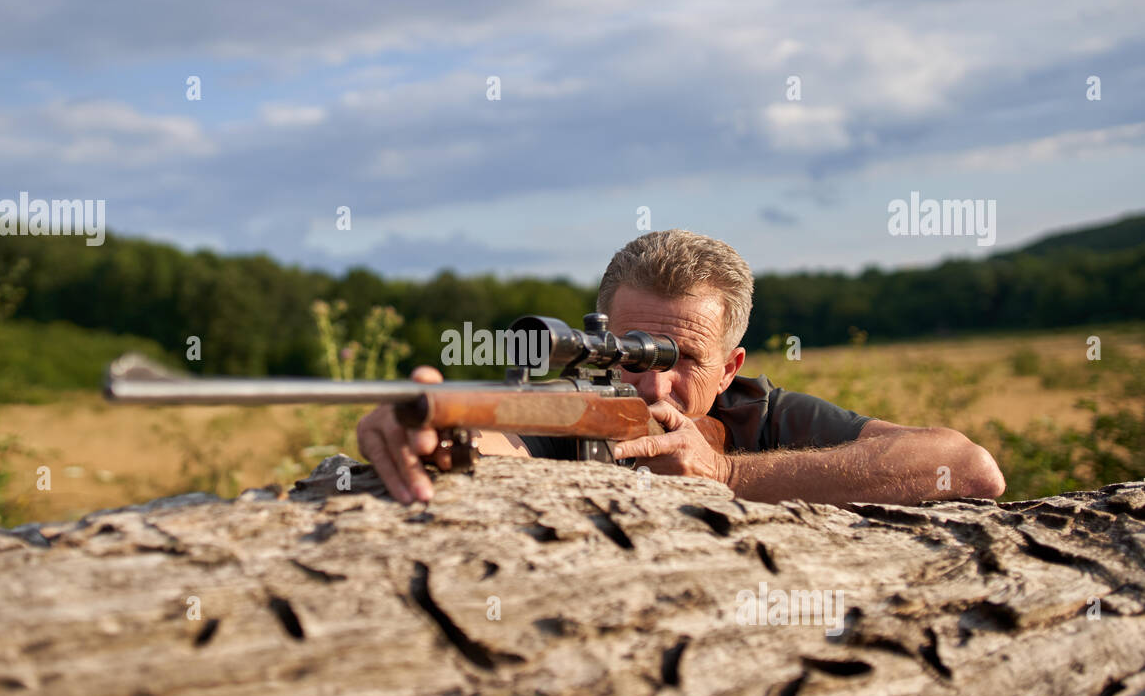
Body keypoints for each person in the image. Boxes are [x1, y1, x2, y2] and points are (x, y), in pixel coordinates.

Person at [356, 229, 1005, 506]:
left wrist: (725, 472)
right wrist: (431, 429)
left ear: (730, 368)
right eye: (629, 352)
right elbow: (498, 443)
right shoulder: (575, 413)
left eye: (684, 359)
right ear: (597, 342)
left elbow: (970, 469)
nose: (651, 382)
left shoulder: (765, 417)